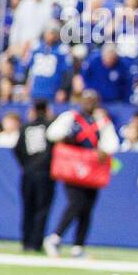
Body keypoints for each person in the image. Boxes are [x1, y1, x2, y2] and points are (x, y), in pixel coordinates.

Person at [43, 89, 118, 258]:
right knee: (75, 202)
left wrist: (104, 151)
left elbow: (112, 143)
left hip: (92, 168)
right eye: (86, 99)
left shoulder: (101, 122)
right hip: (73, 166)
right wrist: (67, 137)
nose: (89, 103)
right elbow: (52, 134)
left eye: (92, 100)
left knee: (88, 207)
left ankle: (79, 245)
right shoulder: (70, 117)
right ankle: (56, 237)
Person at [14, 99, 55, 252]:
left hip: (28, 172)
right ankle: (36, 242)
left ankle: (26, 241)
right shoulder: (50, 127)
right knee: (42, 209)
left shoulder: (26, 127)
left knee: (28, 208)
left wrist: (25, 165)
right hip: (45, 173)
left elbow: (17, 149)